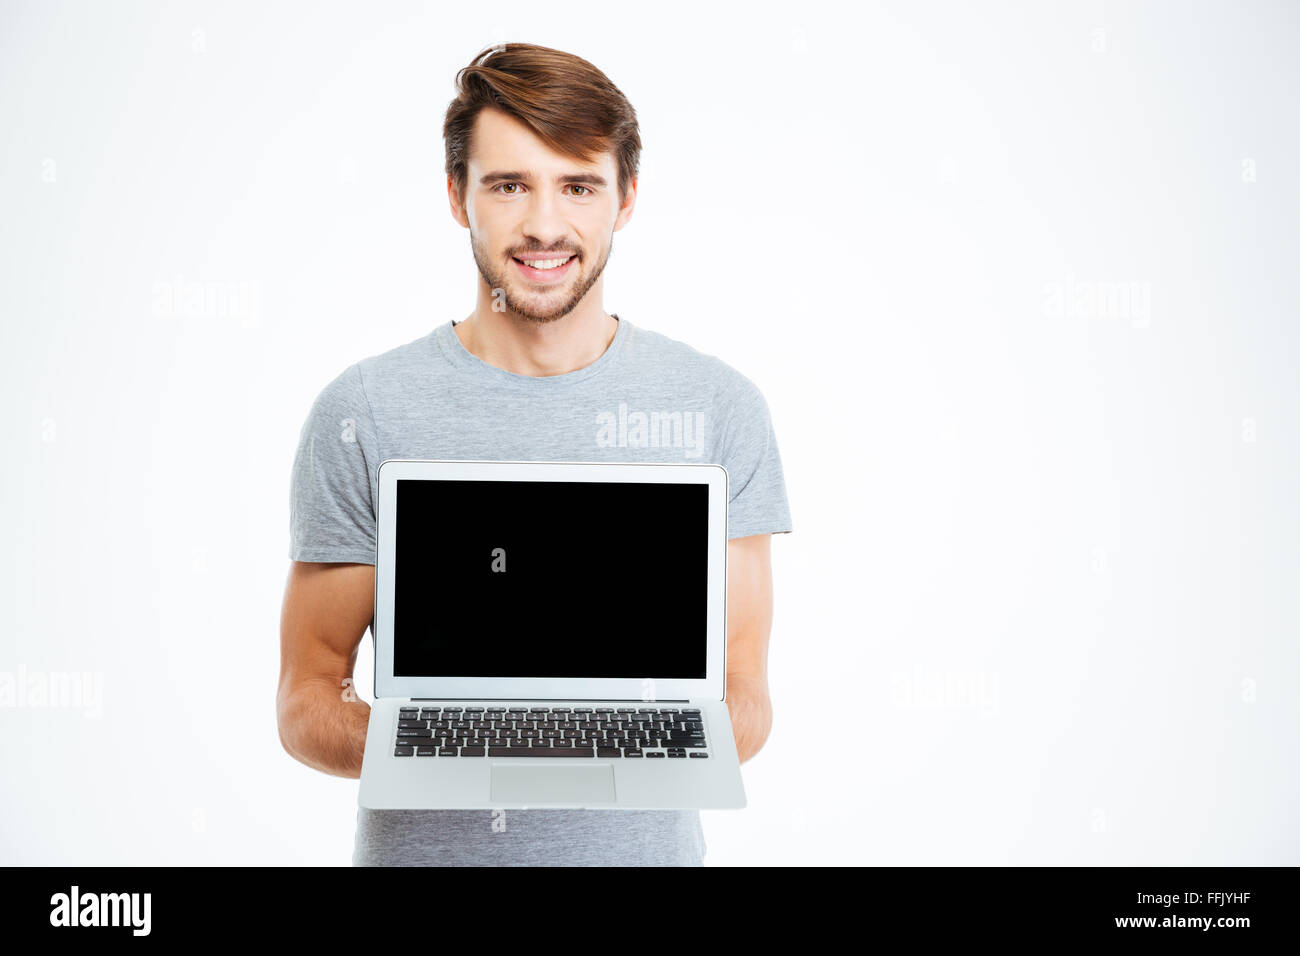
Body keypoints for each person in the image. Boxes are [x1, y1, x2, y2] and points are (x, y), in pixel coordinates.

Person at [277, 42, 793, 866]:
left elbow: (746, 700)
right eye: (509, 184)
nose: (545, 225)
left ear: (624, 199)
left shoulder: (718, 411)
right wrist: (454, 750)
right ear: (458, 196)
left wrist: (614, 748)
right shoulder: (365, 412)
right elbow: (308, 699)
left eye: (578, 185)